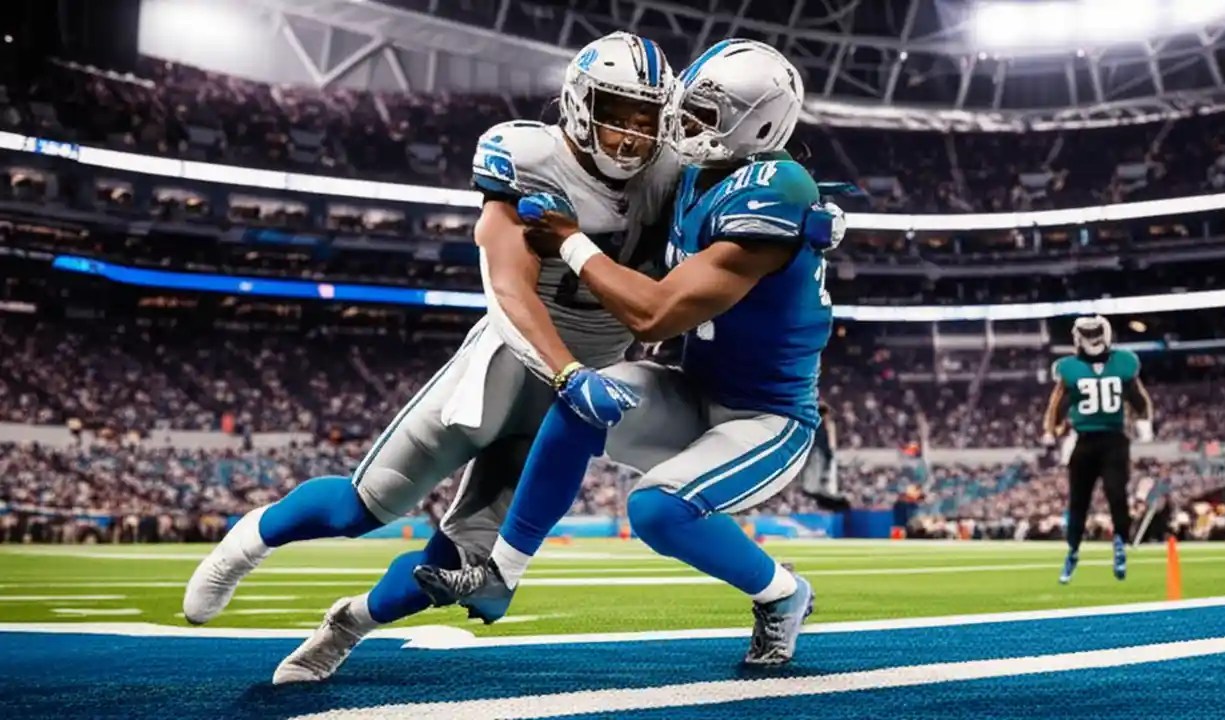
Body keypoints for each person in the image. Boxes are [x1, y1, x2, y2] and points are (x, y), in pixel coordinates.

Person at [181, 31, 682, 684]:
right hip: (508, 367)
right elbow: (506, 285)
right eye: (617, 112)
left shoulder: (674, 175)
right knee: (364, 507)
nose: (631, 135)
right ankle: (246, 545)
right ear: (581, 104)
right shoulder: (527, 155)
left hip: (580, 395)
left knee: (462, 563)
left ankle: (346, 626)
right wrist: (568, 371)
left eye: (646, 118)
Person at [413, 38, 843, 666]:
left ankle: (783, 594)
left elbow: (655, 312)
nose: (684, 125)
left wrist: (568, 240)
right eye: (686, 107)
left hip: (766, 417)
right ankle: (499, 575)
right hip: (693, 390)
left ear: (759, 127)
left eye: (706, 116)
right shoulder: (695, 174)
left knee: (657, 511)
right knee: (587, 395)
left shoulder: (777, 187)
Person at [1042, 314, 1153, 584]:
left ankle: (1119, 543)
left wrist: (1144, 420)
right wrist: (1052, 428)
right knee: (1078, 500)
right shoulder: (1070, 368)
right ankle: (1073, 550)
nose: (1091, 339)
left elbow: (1137, 396)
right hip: (1085, 439)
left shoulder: (1123, 363)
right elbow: (1059, 401)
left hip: (1114, 439)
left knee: (1117, 493)